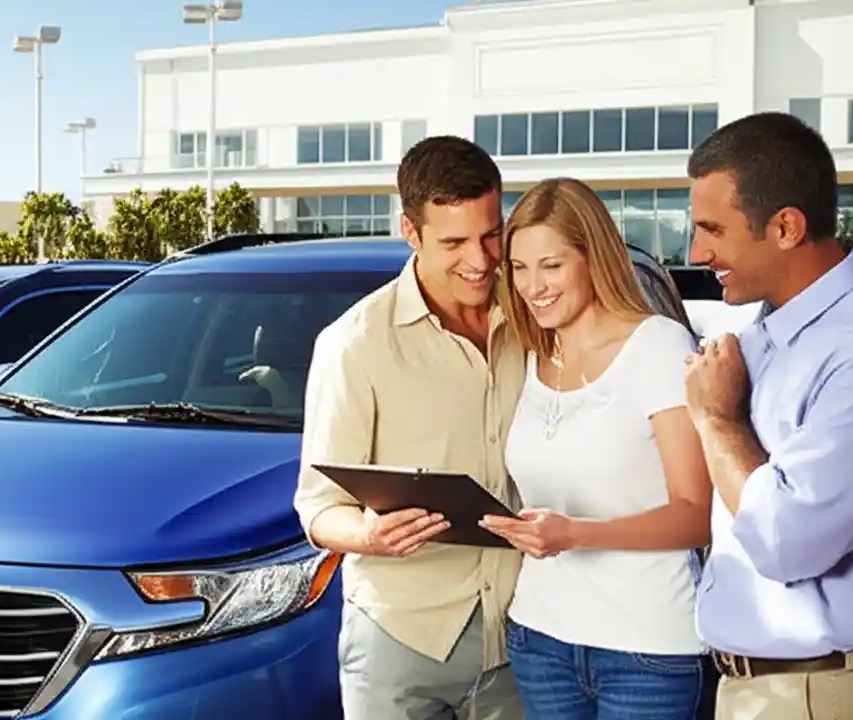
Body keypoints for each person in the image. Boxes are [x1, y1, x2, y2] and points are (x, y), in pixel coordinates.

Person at [293, 135, 527, 720]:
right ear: (411, 231)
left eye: (490, 234)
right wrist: (369, 535)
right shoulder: (355, 345)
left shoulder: (535, 320)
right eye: (454, 242)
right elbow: (318, 508)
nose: (480, 260)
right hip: (402, 641)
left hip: (526, 633)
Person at [682, 111, 853, 719]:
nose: (696, 252)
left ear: (785, 227)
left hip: (824, 694)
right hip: (762, 688)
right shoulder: (764, 338)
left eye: (712, 230)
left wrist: (716, 422)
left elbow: (788, 543)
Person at [477, 178, 712, 719]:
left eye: (551, 266)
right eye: (519, 267)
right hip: (540, 640)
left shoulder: (658, 346)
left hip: (647, 650)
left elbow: (697, 516)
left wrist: (576, 533)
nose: (533, 286)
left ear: (593, 258)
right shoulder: (533, 352)